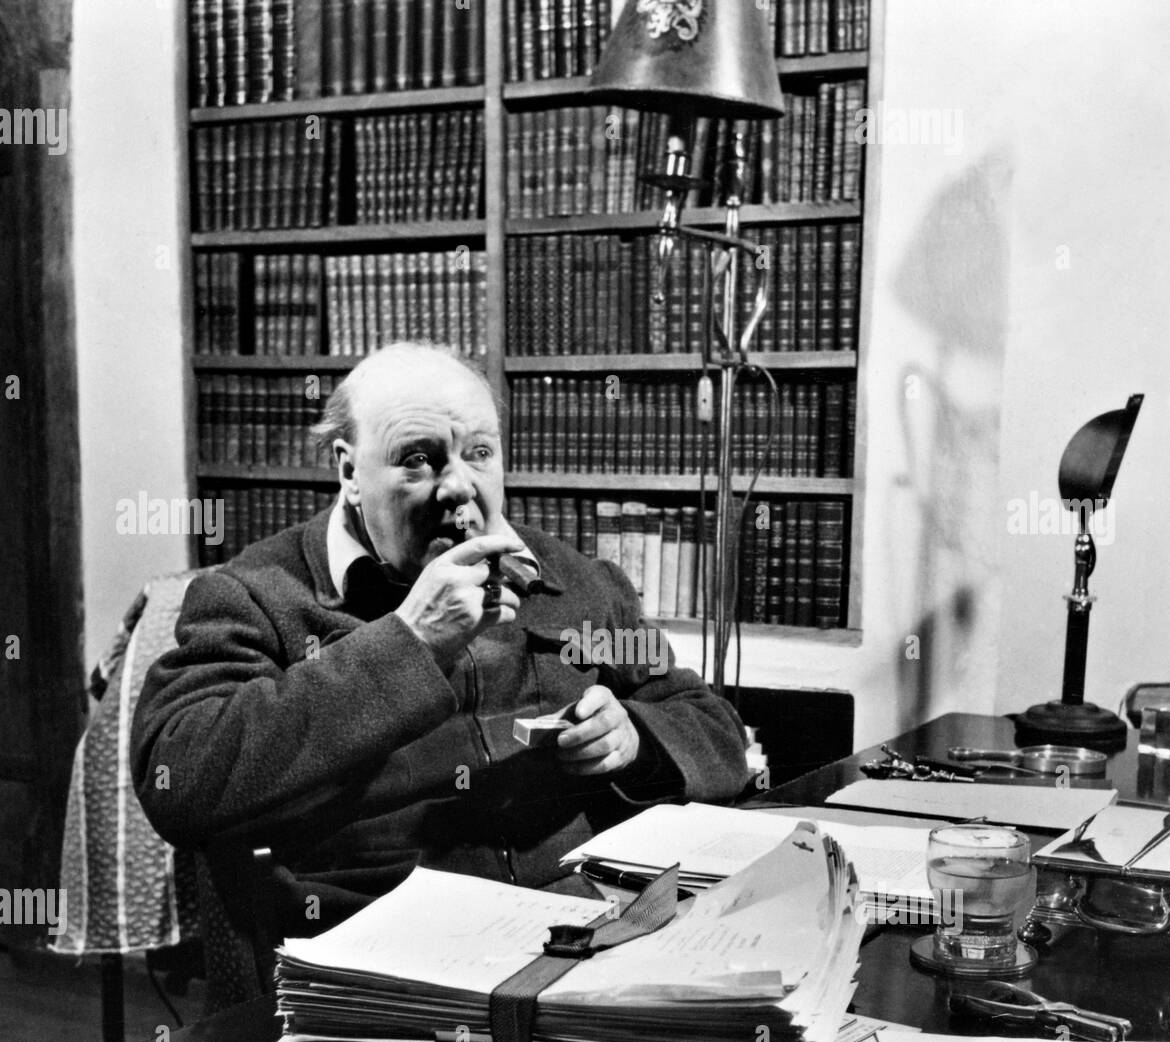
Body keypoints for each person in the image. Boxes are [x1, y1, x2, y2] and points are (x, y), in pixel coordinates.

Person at [131, 342, 749, 932]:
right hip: (371, 951)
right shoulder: (256, 595)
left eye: (479, 453)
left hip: (581, 928)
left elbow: (716, 732)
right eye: (418, 459)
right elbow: (181, 781)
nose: (456, 486)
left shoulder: (580, 582)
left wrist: (635, 738)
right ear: (348, 471)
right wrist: (410, 643)